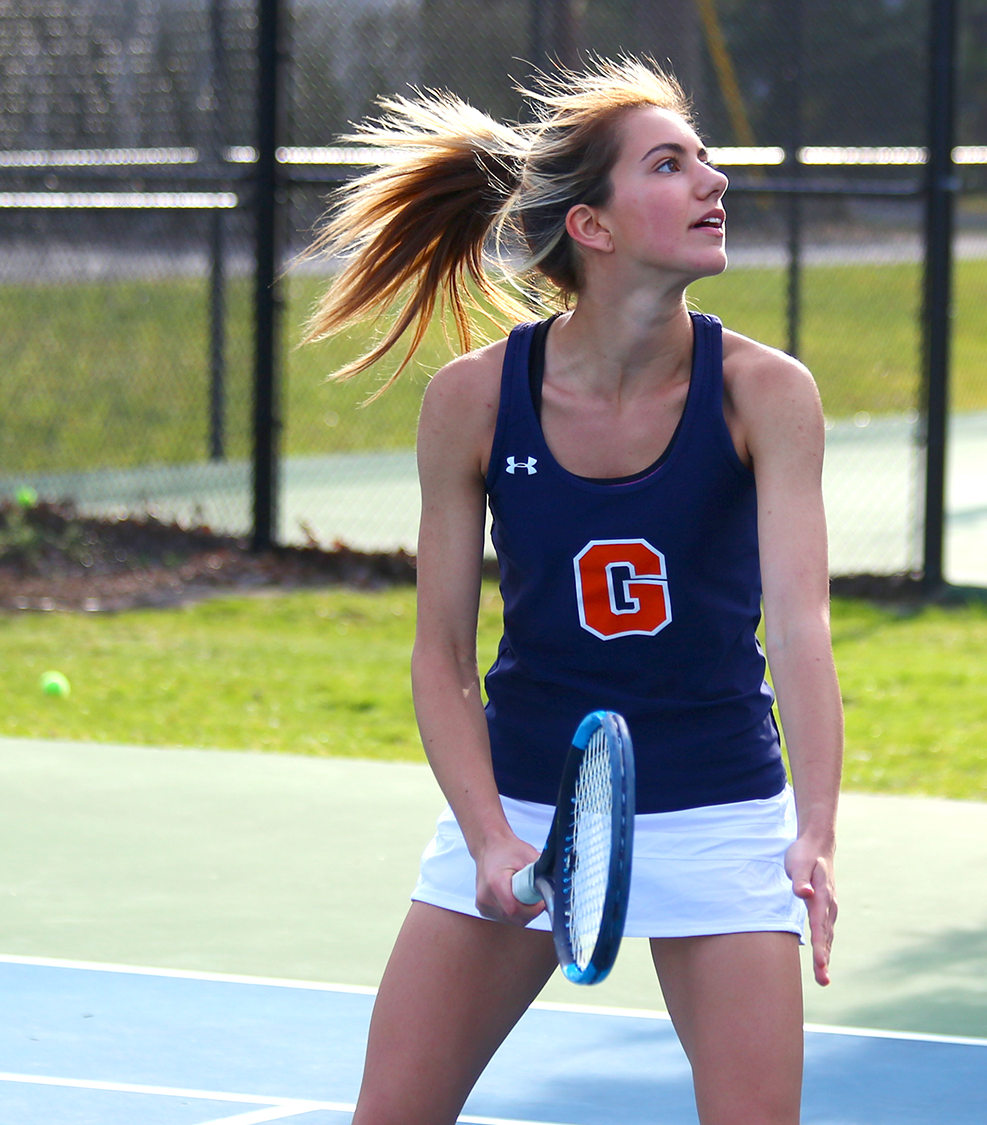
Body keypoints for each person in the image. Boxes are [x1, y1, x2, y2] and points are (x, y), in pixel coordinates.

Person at [301, 59, 843, 1125]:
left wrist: (813, 829)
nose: (714, 181)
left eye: (703, 159)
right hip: (524, 800)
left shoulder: (765, 394)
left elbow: (799, 628)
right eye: (669, 165)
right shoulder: (472, 401)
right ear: (591, 227)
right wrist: (488, 836)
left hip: (720, 806)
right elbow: (442, 658)